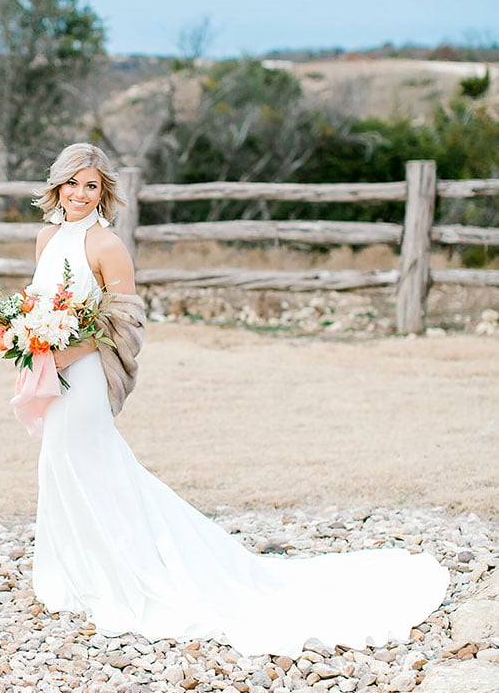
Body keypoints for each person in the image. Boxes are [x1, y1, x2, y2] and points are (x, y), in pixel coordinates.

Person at [26, 142, 449, 657]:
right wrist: (29, 334)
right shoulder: (47, 236)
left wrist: (74, 351)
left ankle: (131, 573)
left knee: (92, 464)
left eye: (91, 185)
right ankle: (73, 573)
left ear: (104, 192)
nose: (80, 194)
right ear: (58, 186)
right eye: (73, 183)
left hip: (84, 372)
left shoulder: (107, 245)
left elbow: (124, 319)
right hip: (54, 366)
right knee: (59, 463)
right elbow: (39, 300)